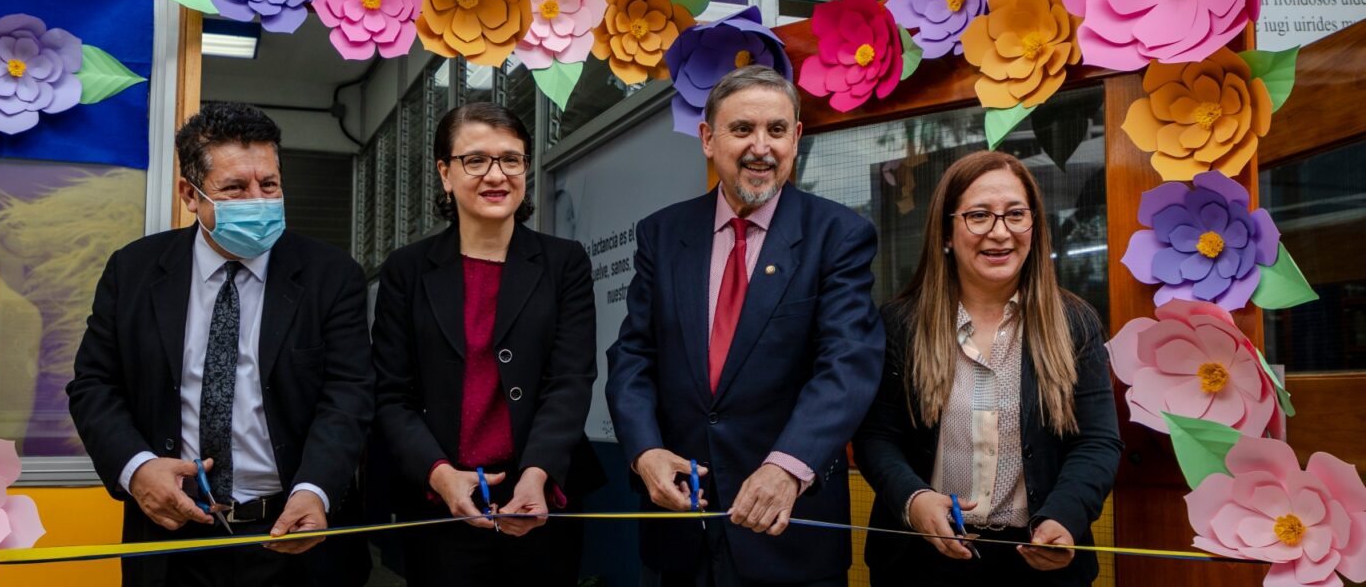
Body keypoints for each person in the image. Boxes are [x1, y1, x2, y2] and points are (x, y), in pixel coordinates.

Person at [68, 102, 373, 587]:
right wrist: (137, 470)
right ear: (191, 194)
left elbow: (348, 395)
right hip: (171, 542)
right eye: (235, 188)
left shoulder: (331, 277)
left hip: (295, 540)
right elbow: (93, 386)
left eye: (268, 185)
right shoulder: (134, 272)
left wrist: (316, 490)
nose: (258, 200)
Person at [606, 65, 885, 587]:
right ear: (708, 139)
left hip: (788, 532)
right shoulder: (662, 235)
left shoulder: (839, 235)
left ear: (796, 139)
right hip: (680, 533)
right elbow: (632, 358)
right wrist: (644, 452)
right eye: (742, 130)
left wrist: (789, 465)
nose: (762, 147)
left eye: (777, 130)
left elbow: (847, 363)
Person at [853, 150, 1121, 586]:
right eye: (979, 215)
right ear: (946, 231)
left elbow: (1098, 442)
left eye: (1016, 214)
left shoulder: (1076, 323)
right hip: (922, 563)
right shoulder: (899, 324)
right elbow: (876, 436)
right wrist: (914, 499)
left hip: (1039, 562)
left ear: (1034, 226)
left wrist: (1067, 517)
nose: (1000, 233)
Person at [372, 102, 601, 585]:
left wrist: (537, 474)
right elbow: (392, 395)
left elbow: (571, 380)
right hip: (440, 504)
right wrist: (438, 474)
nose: (496, 175)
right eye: (475, 160)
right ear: (445, 174)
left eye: (511, 159)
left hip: (540, 503)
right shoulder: (407, 270)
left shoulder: (564, 263)